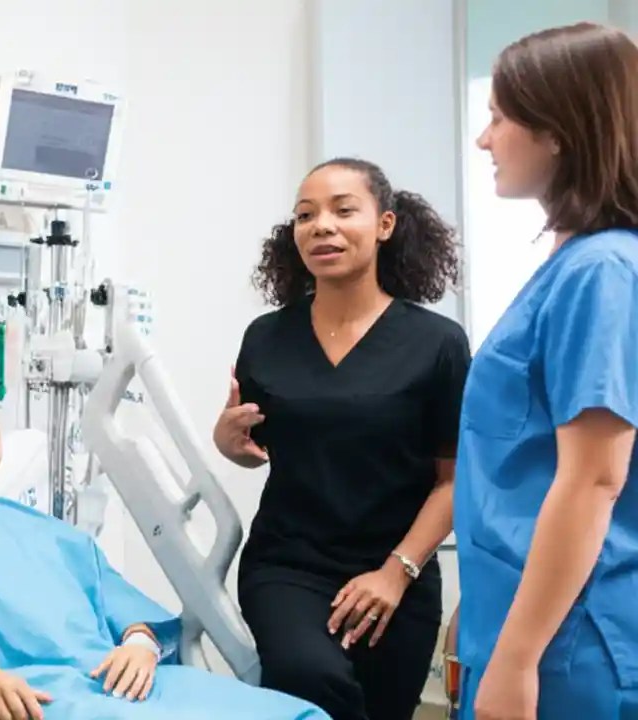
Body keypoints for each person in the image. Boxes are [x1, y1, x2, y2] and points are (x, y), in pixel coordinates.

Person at [0, 384, 330, 720]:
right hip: (22, 696)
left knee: (294, 713)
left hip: (120, 683)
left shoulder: (58, 533)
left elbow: (133, 618)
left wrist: (139, 649)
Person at [214, 157, 470, 720]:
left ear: (385, 224)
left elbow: (455, 482)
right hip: (289, 566)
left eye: (342, 210)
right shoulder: (267, 336)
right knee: (312, 680)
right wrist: (227, 441)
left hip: (396, 570)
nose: (320, 226)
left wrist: (395, 573)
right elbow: (251, 439)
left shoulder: (438, 343)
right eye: (305, 215)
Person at [454, 22, 638, 720]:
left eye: (498, 119)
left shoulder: (603, 272)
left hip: (571, 645)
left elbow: (594, 478)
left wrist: (518, 656)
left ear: (558, 129)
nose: (484, 140)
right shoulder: (577, 268)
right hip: (531, 624)